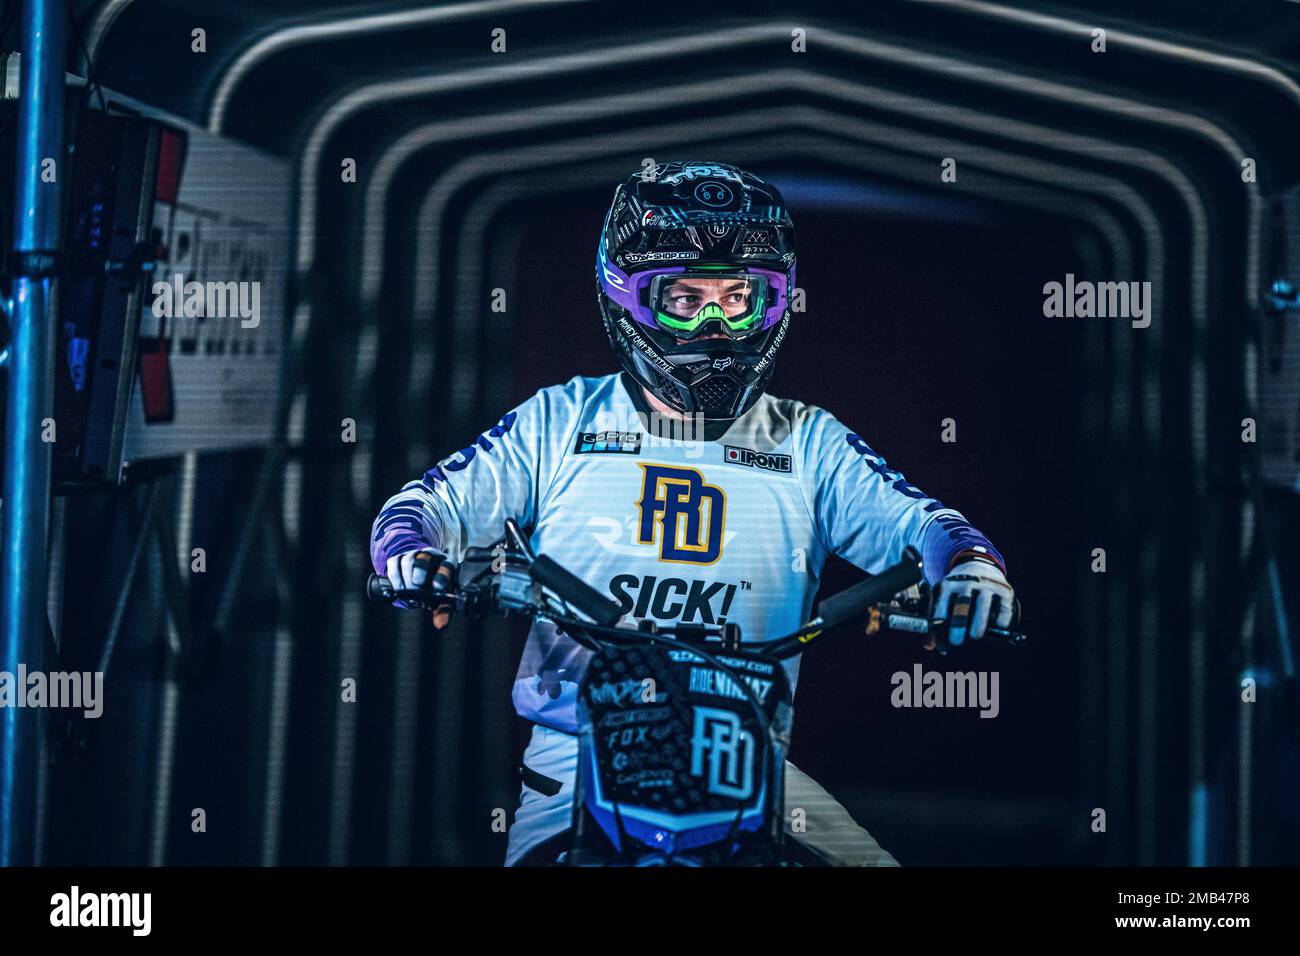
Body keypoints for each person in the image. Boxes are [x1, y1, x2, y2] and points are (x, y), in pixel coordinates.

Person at [370, 161, 1015, 865]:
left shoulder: (807, 442)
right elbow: (427, 504)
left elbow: (923, 523)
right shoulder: (558, 422)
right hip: (575, 765)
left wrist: (971, 569)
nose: (714, 323)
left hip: (746, 762)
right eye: (684, 297)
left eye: (738, 298)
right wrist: (413, 554)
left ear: (776, 301)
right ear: (629, 297)